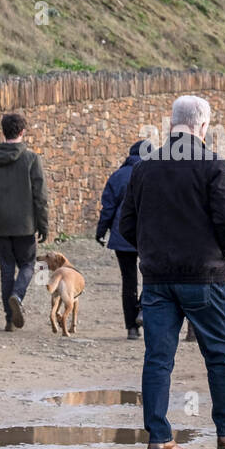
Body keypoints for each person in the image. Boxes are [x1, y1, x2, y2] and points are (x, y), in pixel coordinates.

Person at [119, 95, 225, 449]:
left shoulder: (145, 168)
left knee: (158, 357)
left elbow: (127, 224)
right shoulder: (213, 165)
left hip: (158, 276)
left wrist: (151, 249)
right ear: (203, 126)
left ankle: (159, 436)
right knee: (217, 352)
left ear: (171, 123)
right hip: (203, 275)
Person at [0, 112, 49, 331]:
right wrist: (43, 225)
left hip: (1, 226)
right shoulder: (31, 159)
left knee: (7, 269)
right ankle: (17, 296)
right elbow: (40, 197)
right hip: (25, 225)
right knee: (28, 265)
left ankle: (9, 319)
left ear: (3, 131)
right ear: (22, 131)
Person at [96, 139, 147, 340]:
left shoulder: (118, 176)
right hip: (147, 236)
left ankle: (131, 328)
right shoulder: (151, 175)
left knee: (129, 281)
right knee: (151, 276)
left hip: (122, 235)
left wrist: (101, 231)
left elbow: (108, 208)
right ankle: (143, 309)